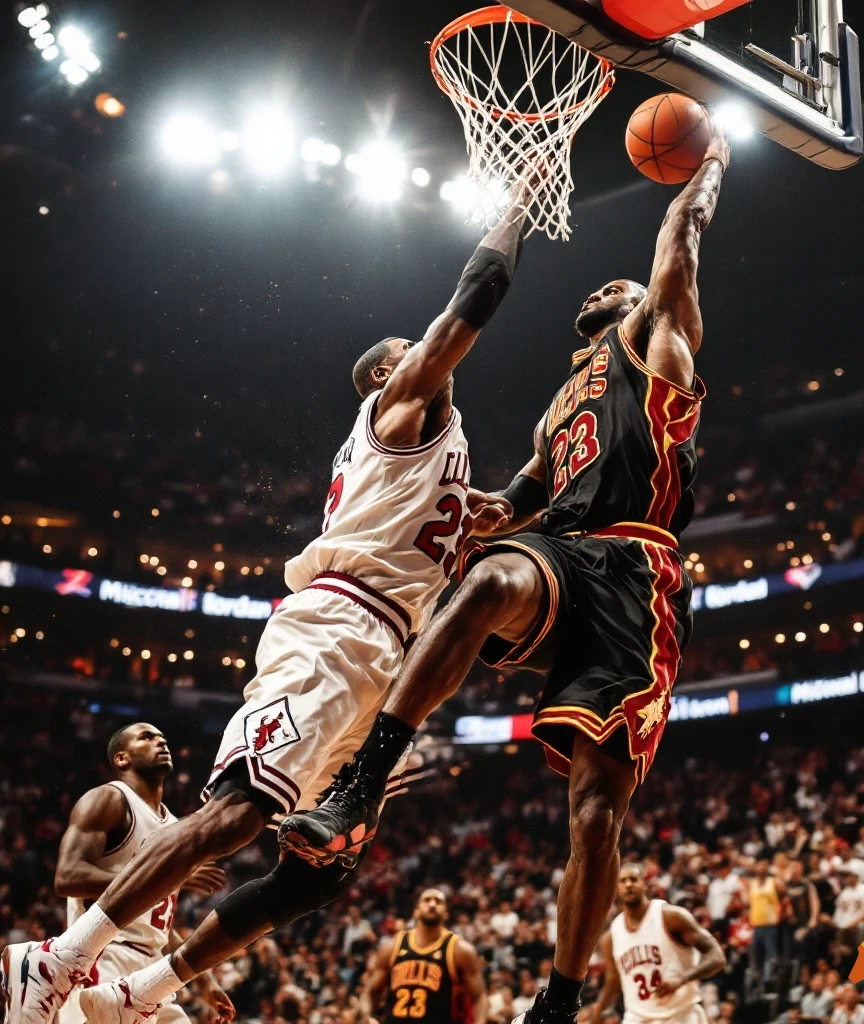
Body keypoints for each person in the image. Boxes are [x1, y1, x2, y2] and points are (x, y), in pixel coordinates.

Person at [1, 189, 530, 1024]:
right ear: (388, 374)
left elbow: (500, 509)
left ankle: (136, 995)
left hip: (387, 655)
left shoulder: (442, 460)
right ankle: (58, 959)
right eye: (409, 345)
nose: (422, 346)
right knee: (235, 815)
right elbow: (474, 301)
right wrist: (518, 207)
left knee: (326, 868)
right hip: (336, 631)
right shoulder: (396, 411)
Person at [279, 123, 731, 1024]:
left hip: (637, 569)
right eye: (607, 285)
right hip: (564, 551)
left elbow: (682, 229)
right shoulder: (560, 402)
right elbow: (521, 494)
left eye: (621, 281)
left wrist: (711, 154)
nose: (611, 283)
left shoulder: (662, 333)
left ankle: (560, 1000)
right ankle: (358, 787)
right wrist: (485, 507)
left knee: (598, 809)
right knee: (484, 582)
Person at [46, 724, 232, 1024]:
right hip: (104, 959)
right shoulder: (108, 800)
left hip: (152, 968)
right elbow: (67, 877)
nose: (160, 742)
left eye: (163, 738)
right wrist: (168, 880)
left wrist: (204, 982)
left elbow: (157, 925)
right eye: (147, 738)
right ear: (122, 759)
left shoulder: (174, 826)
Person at [589, 864, 726, 1024]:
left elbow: (717, 957)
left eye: (633, 879)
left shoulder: (671, 917)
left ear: (644, 884)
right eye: (622, 881)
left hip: (680, 1014)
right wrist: (597, 1013)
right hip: (638, 1017)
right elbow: (613, 980)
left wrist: (682, 979)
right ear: (616, 889)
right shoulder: (611, 937)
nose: (628, 884)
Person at [360, 889, 487, 1024]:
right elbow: (370, 992)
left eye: (438, 902)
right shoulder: (391, 948)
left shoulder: (460, 951)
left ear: (446, 914)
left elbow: (479, 997)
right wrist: (367, 1017)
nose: (432, 904)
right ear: (415, 912)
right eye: (427, 900)